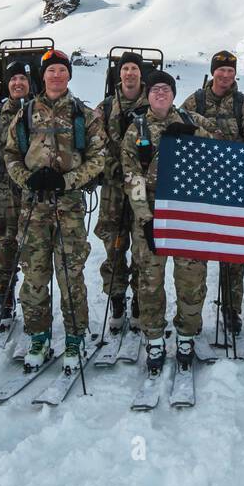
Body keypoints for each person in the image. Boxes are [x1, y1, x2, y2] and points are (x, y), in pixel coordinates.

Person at [3, 49, 107, 372]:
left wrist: (68, 181)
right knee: (34, 276)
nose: (56, 76)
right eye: (51, 71)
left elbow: (99, 157)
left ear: (69, 76)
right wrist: (28, 180)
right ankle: (39, 335)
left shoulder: (84, 115)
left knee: (70, 273)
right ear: (43, 76)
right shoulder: (25, 114)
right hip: (33, 208)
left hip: (69, 207)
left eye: (62, 70)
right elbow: (9, 154)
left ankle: (75, 336)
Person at [121, 70, 216, 379]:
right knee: (149, 281)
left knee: (191, 279)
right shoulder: (136, 128)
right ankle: (154, 339)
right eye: (155, 89)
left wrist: (192, 140)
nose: (160, 93)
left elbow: (216, 157)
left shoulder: (193, 123)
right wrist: (145, 218)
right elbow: (132, 176)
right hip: (150, 212)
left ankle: (186, 337)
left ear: (174, 94)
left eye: (166, 89)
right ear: (148, 94)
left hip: (186, 213)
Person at [181, 50, 244, 336]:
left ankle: (231, 309)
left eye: (230, 71)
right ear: (213, 71)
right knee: (197, 253)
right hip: (200, 188)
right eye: (221, 70)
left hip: (233, 187)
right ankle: (193, 312)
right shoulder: (194, 102)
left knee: (233, 253)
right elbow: (179, 135)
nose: (225, 75)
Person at [93, 52, 149, 336]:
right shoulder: (104, 108)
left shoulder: (153, 105)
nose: (129, 73)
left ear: (141, 75)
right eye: (125, 68)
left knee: (141, 248)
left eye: (134, 69)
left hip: (141, 189)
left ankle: (139, 300)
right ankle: (117, 300)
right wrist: (113, 168)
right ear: (119, 74)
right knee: (114, 246)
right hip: (113, 189)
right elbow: (94, 147)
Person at [0, 60, 33, 330]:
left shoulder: (38, 109)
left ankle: (34, 301)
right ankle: (5, 295)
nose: (18, 83)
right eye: (13, 79)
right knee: (6, 245)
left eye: (22, 79)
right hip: (4, 191)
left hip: (32, 192)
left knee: (34, 248)